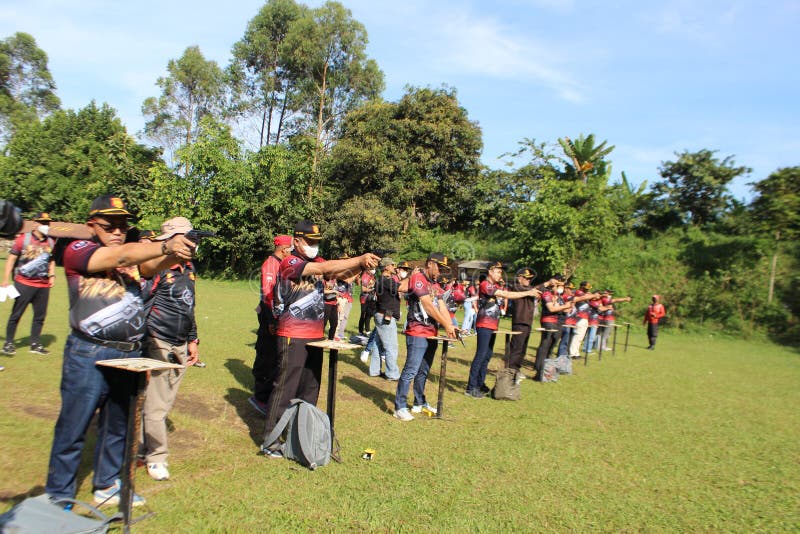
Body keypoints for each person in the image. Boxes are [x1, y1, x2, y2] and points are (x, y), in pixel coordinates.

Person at [45, 195, 195, 506]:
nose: (117, 231)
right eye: (109, 225)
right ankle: (59, 495)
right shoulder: (79, 249)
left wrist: (176, 252)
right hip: (89, 351)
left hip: (128, 354)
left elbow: (150, 266)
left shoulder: (131, 257)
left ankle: (107, 484)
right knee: (74, 425)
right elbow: (122, 256)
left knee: (118, 425)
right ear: (91, 225)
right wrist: (166, 246)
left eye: (123, 226)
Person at [261, 220, 379, 456]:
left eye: (316, 242)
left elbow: (341, 274)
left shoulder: (318, 262)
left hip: (316, 336)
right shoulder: (289, 262)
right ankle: (271, 441)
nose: (314, 246)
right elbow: (324, 269)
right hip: (292, 335)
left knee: (310, 389)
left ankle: (299, 435)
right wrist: (359, 258)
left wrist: (361, 266)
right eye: (310, 241)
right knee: (285, 388)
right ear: (296, 241)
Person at [138, 218, 201, 481]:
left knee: (163, 402)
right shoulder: (156, 266)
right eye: (188, 238)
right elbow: (141, 301)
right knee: (156, 403)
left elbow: (189, 306)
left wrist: (193, 340)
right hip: (158, 340)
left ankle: (140, 448)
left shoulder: (189, 267)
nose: (193, 243)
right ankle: (156, 457)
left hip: (180, 343)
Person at [393, 253, 456, 421]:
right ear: (430, 264)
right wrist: (446, 324)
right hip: (417, 332)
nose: (441, 271)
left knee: (423, 371)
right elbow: (427, 305)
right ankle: (399, 407)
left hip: (431, 334)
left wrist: (451, 325)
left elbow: (442, 306)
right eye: (439, 267)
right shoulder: (418, 278)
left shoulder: (435, 284)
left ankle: (419, 402)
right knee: (411, 370)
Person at [465, 262, 540, 398]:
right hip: (484, 324)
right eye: (498, 271)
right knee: (480, 355)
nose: (500, 274)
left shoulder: (495, 285)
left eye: (501, 272)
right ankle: (471, 387)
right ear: (490, 271)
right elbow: (506, 294)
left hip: (492, 325)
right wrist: (529, 292)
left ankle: (480, 383)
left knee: (487, 356)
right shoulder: (485, 284)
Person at [250, 235, 293, 415]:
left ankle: (269, 393)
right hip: (269, 315)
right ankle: (259, 398)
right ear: (283, 249)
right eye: (290, 249)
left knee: (275, 356)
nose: (291, 253)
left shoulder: (281, 264)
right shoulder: (271, 264)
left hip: (277, 316)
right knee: (266, 354)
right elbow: (268, 296)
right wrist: (271, 320)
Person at [2, 212, 56, 355]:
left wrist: (52, 275)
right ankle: (8, 343)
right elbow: (11, 259)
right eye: (43, 223)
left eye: (48, 223)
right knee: (16, 314)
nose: (46, 225)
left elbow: (51, 259)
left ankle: (35, 344)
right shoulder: (23, 239)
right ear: (35, 224)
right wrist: (6, 279)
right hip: (23, 283)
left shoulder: (51, 242)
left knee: (39, 317)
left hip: (43, 285)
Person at [369, 257, 408, 380]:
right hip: (386, 315)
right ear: (386, 267)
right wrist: (413, 277)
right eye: (392, 265)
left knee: (378, 344)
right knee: (391, 346)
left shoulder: (382, 279)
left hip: (381, 313)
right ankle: (392, 374)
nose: (394, 267)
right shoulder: (386, 280)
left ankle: (374, 370)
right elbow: (402, 287)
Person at [534, 276, 570, 381]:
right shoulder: (547, 293)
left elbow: (565, 310)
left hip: (557, 322)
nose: (560, 288)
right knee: (545, 344)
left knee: (552, 345)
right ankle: (539, 368)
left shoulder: (558, 296)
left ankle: (547, 367)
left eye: (562, 286)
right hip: (548, 321)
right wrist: (565, 306)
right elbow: (551, 308)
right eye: (558, 285)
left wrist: (563, 307)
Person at [506, 267, 539, 377]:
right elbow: (529, 290)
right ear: (519, 278)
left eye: (529, 279)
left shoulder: (529, 289)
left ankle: (517, 369)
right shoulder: (516, 287)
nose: (528, 280)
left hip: (527, 322)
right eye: (526, 278)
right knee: (516, 348)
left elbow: (535, 289)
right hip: (519, 321)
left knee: (523, 349)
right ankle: (511, 370)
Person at [568, 281, 601, 359]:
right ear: (582, 287)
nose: (587, 290)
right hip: (579, 317)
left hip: (585, 318)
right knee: (578, 336)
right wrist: (593, 295)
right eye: (586, 288)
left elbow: (593, 297)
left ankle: (576, 352)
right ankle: (572, 353)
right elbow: (584, 297)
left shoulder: (585, 294)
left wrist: (594, 295)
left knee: (580, 337)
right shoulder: (578, 292)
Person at [358, 267, 376, 335]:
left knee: (369, 314)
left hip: (371, 298)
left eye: (374, 268)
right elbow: (363, 289)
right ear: (368, 269)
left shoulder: (372, 276)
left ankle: (367, 330)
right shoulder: (365, 276)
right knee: (364, 314)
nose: (374, 270)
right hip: (365, 298)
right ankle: (361, 331)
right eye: (372, 268)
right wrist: (373, 289)